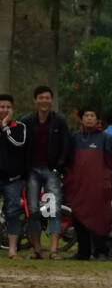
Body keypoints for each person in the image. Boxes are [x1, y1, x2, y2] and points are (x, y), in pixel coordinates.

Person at [21, 85, 72, 259]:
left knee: (54, 209)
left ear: (52, 100)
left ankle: (53, 250)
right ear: (35, 100)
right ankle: (37, 248)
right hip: (32, 171)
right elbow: (20, 146)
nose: (44, 101)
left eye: (47, 98)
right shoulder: (26, 121)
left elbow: (66, 145)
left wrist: (59, 166)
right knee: (33, 210)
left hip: (52, 170)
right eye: (41, 98)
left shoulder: (59, 121)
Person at [64, 106, 112, 260]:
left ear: (97, 119)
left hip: (98, 186)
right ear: (81, 119)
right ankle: (83, 252)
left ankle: (101, 251)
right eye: (86, 115)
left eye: (92, 115)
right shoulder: (75, 138)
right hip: (78, 186)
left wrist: (104, 180)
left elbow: (111, 162)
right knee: (79, 218)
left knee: (99, 218)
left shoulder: (106, 138)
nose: (89, 118)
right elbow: (69, 162)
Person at [1, 94, 28, 258]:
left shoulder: (19, 127)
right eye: (1, 106)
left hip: (12, 179)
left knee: (12, 213)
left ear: (12, 109)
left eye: (7, 107)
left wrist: (5, 127)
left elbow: (19, 145)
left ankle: (12, 249)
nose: (4, 110)